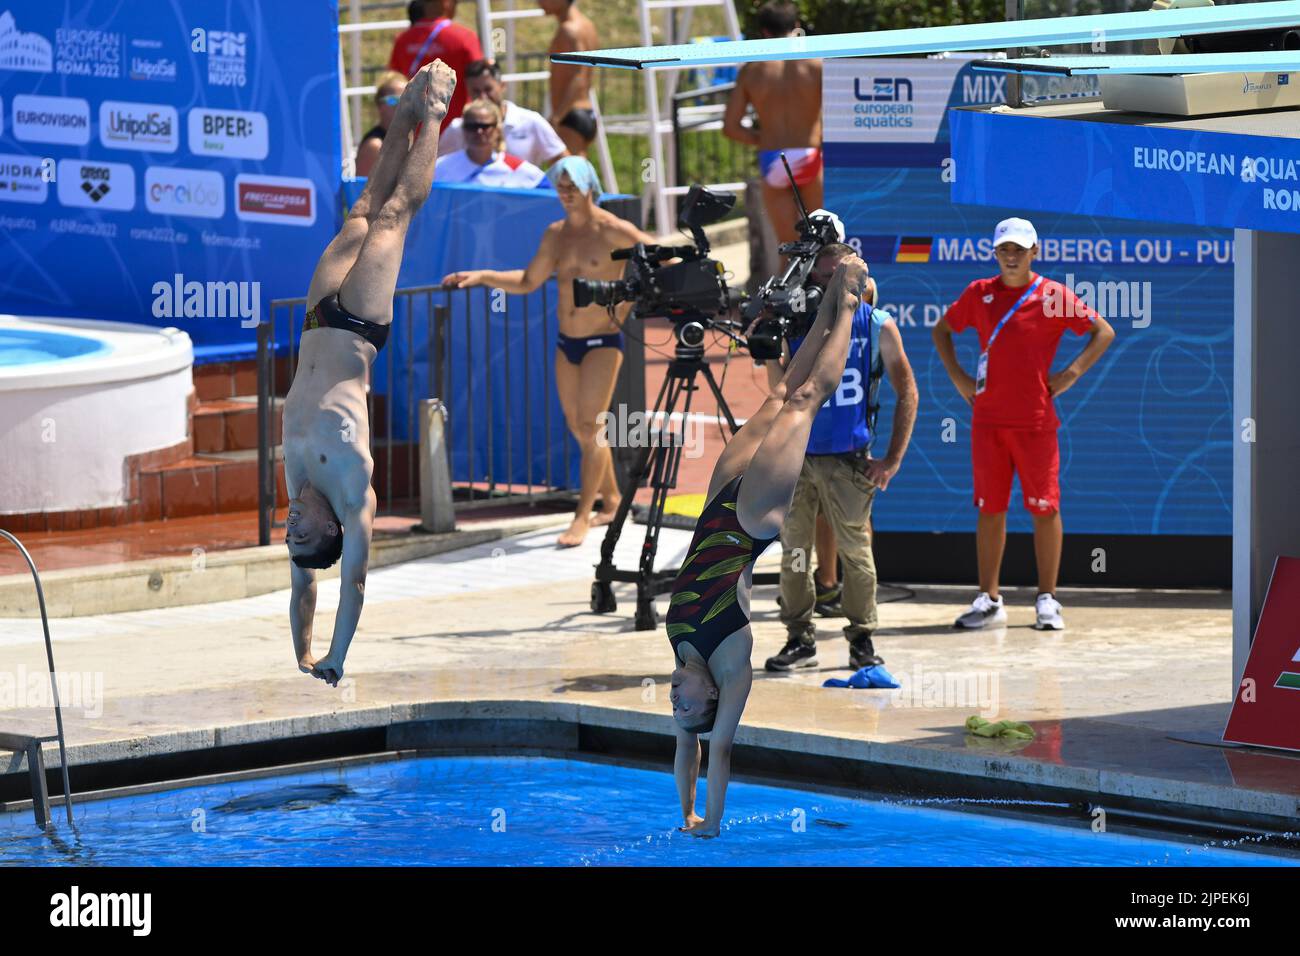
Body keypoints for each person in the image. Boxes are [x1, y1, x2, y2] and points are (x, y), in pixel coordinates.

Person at [668, 252, 870, 838]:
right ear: (710, 697)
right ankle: (850, 306)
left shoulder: (680, 651)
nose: (675, 700)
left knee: (780, 391)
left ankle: (829, 300)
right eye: (686, 704)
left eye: (674, 703)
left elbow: (685, 747)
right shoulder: (732, 667)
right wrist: (709, 821)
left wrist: (683, 811)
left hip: (716, 501)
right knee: (805, 403)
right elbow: (716, 752)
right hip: (751, 518)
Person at [283, 61, 456, 686]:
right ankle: (436, 112)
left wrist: (301, 652)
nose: (291, 526)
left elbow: (306, 589)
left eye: (289, 535)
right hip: (357, 327)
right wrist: (336, 657)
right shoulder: (354, 492)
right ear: (330, 528)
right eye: (302, 534)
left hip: (315, 318)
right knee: (394, 216)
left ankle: (405, 107)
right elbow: (348, 584)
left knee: (360, 211)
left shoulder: (298, 480)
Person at [440, 156, 657, 546]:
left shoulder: (613, 231)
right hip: (566, 341)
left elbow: (659, 254)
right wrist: (483, 276)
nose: (567, 194)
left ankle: (582, 516)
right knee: (580, 428)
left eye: (573, 187)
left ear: (591, 187)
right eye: (561, 188)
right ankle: (612, 499)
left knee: (592, 426)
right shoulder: (555, 234)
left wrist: (633, 299)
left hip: (603, 342)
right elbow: (527, 280)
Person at [932, 217, 1115, 631]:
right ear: (995, 253)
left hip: (1035, 423)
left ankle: (1047, 599)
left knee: (1045, 508)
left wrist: (1070, 374)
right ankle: (989, 599)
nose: (1011, 257)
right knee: (990, 509)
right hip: (988, 423)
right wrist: (959, 377)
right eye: (1004, 249)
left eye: (1019, 249)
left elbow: (1103, 331)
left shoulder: (1052, 295)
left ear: (1035, 251)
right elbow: (942, 330)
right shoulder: (979, 293)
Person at [765, 242, 918, 672]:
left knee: (856, 552)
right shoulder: (797, 326)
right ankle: (799, 637)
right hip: (798, 457)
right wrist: (767, 346)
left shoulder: (879, 326)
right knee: (795, 552)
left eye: (840, 278)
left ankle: (862, 638)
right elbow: (778, 393)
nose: (830, 287)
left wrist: (891, 459)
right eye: (822, 277)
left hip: (849, 458)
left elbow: (908, 390)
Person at [721, 0, 823, 247]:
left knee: (788, 249)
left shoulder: (752, 70)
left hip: (774, 158)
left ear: (764, 32)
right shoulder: (816, 65)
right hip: (809, 153)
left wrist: (762, 138)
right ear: (796, 26)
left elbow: (730, 127)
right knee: (823, 244)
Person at [440, 59, 569, 168]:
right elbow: (436, 167)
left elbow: (566, 165)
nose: (483, 97)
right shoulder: (458, 128)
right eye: (476, 91)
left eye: (488, 89)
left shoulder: (531, 121)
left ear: (502, 86)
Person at [388, 0, 483, 131]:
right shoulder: (465, 38)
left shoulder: (402, 40)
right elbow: (481, 81)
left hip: (411, 129)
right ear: (446, 3)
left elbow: (392, 81)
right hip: (455, 129)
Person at [434, 98, 549, 187]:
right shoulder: (441, 167)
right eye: (472, 126)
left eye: (485, 126)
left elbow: (552, 196)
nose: (479, 131)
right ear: (463, 129)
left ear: (497, 130)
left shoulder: (517, 169)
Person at [538, 0, 599, 156]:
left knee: (566, 177)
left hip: (570, 117)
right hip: (584, 112)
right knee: (575, 175)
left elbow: (579, 77)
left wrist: (557, 117)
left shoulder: (569, 30)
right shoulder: (587, 25)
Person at [355, 72, 407, 178]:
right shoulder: (375, 146)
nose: (402, 105)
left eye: (407, 99)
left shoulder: (405, 139)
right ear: (380, 106)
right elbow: (361, 190)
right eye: (394, 100)